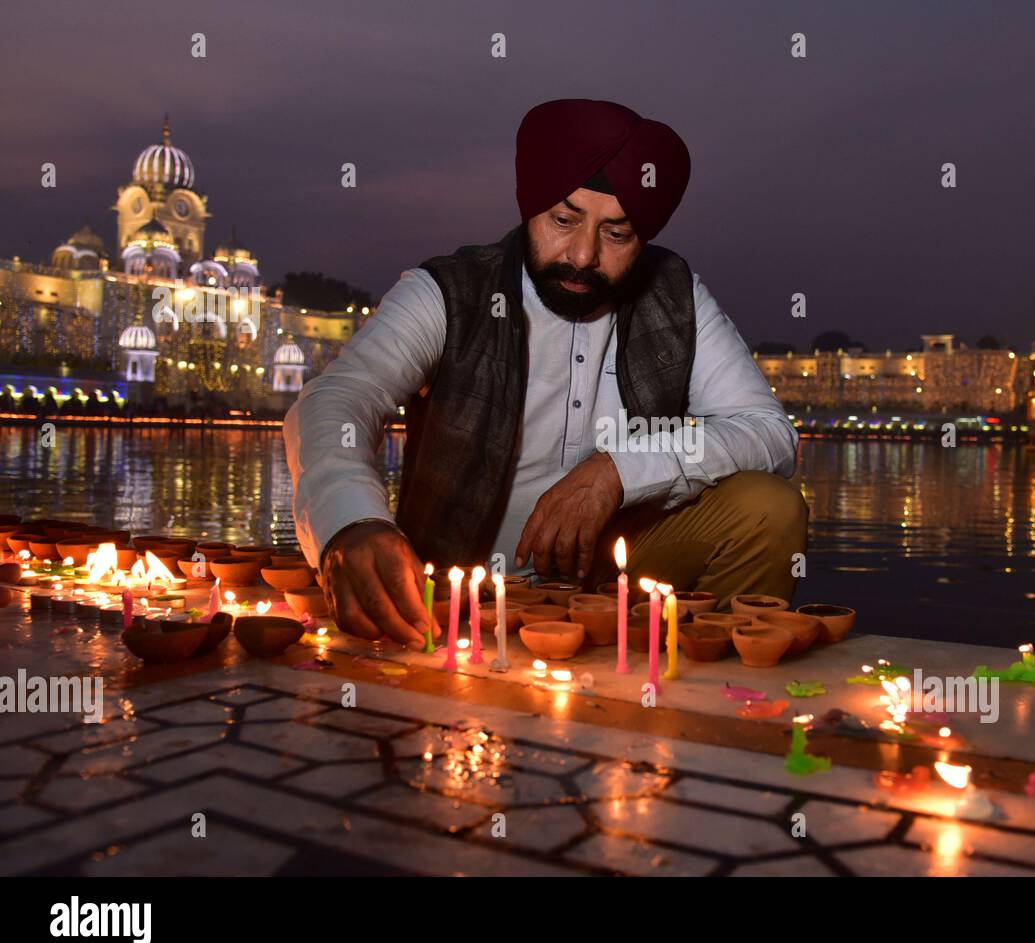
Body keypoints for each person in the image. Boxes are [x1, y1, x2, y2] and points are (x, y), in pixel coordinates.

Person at [284, 98, 805, 647]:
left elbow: (769, 433)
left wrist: (619, 471)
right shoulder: (449, 291)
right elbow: (339, 398)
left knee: (767, 509)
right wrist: (351, 521)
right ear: (528, 206)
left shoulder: (677, 295)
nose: (583, 255)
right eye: (564, 219)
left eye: (617, 234)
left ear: (643, 238)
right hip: (457, 594)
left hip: (612, 587)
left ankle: (699, 697)